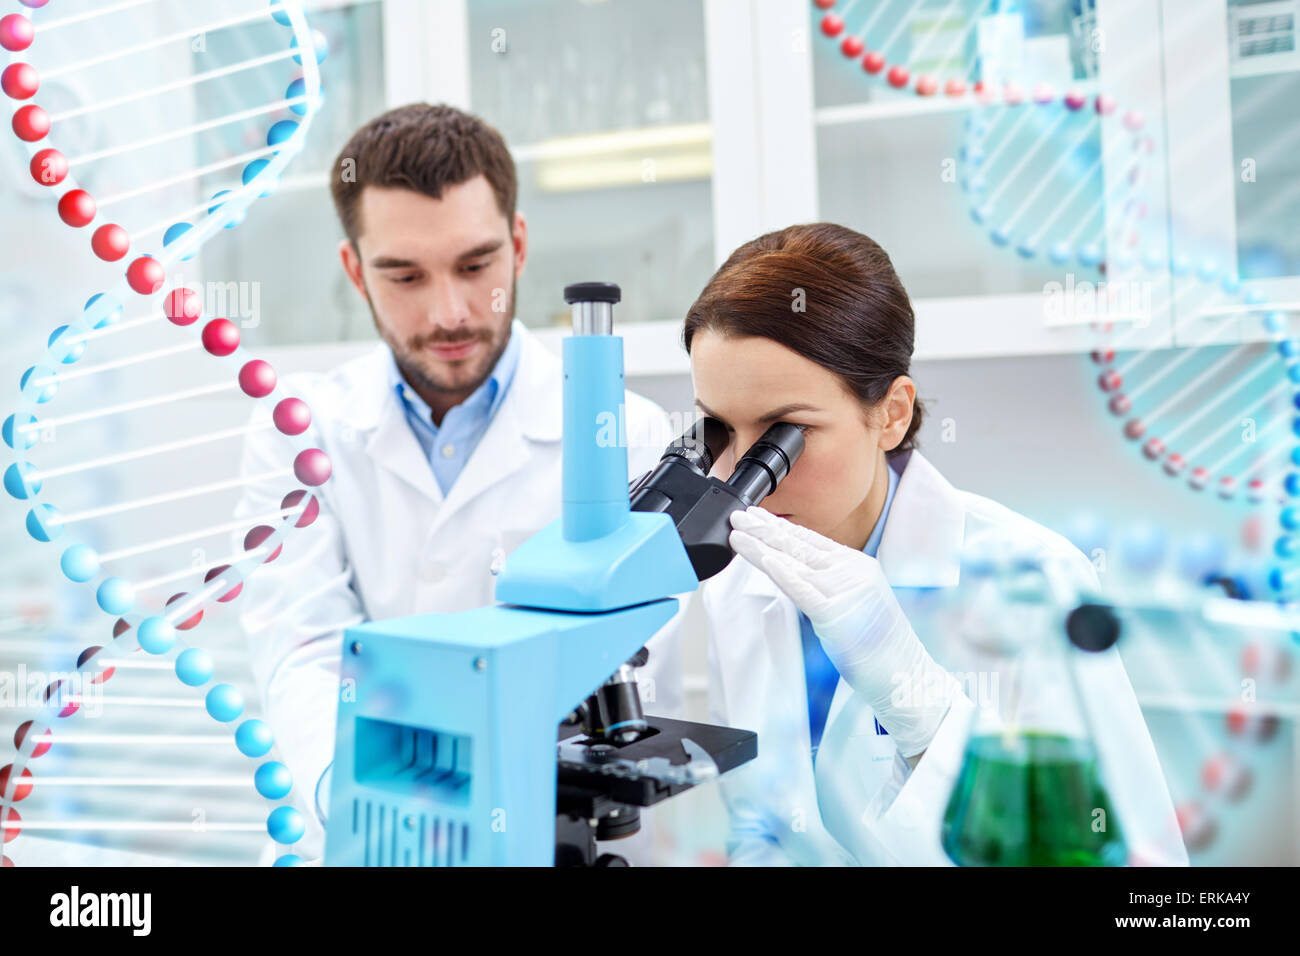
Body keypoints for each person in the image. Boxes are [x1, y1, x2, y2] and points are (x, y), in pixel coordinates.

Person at [233, 104, 681, 863]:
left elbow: (626, 671)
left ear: (518, 246)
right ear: (354, 271)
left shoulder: (626, 433)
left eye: (475, 267)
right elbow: (301, 646)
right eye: (404, 275)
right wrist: (364, 800)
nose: (449, 313)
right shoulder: (298, 430)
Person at [687, 222, 1188, 866]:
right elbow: (758, 827)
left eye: (783, 433)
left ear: (891, 413)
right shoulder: (734, 581)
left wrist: (919, 709)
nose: (742, 476)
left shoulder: (1031, 580)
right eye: (718, 429)